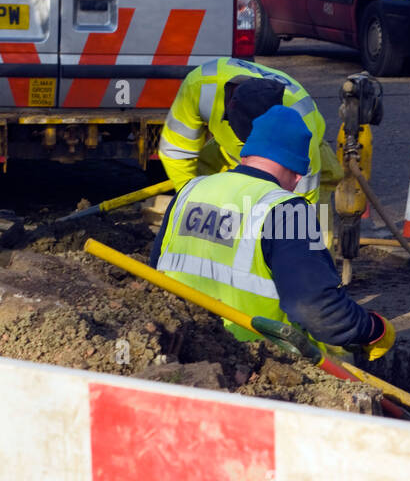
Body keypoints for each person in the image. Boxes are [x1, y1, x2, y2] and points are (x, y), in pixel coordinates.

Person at [151, 104, 393, 359]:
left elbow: (155, 270)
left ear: (245, 155)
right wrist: (374, 329)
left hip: (174, 347)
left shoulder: (191, 189)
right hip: (249, 360)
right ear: (299, 175)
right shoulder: (287, 211)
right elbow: (320, 312)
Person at [158, 57, 342, 206]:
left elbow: (304, 201)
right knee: (203, 180)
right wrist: (190, 202)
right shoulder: (200, 87)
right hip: (227, 150)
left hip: (291, 155)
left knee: (316, 229)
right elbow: (176, 152)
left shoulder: (299, 128)